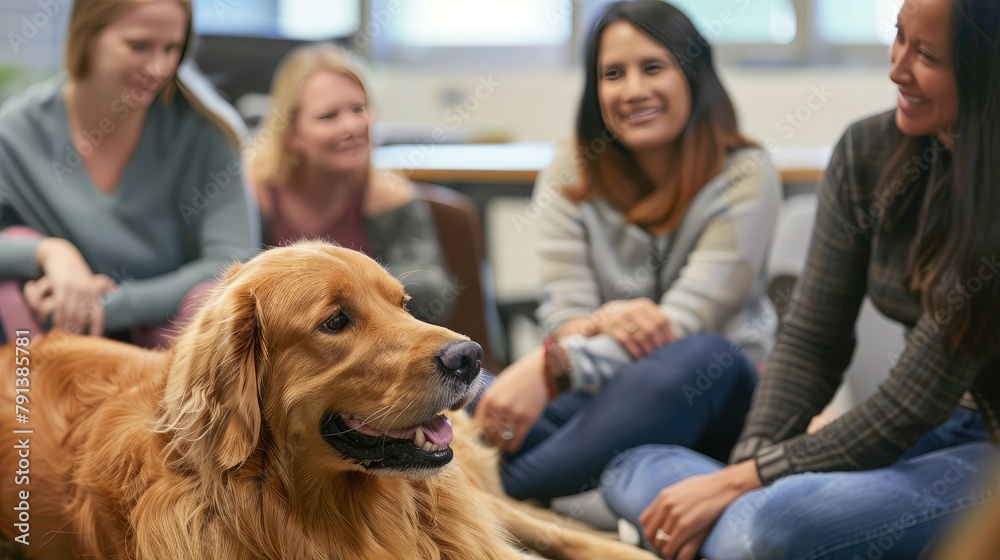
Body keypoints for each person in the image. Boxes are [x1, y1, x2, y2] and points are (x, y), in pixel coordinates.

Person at [601, 0, 1000, 558]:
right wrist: (748, 466)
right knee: (632, 465)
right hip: (927, 434)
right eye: (898, 37)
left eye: (927, 56)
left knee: (774, 524)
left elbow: (911, 402)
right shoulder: (868, 152)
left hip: (983, 453)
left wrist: (744, 483)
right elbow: (813, 340)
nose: (897, 69)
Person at [473, 0, 782, 502]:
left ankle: (499, 495)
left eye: (653, 67)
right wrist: (603, 321)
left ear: (693, 74)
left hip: (714, 399)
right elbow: (565, 319)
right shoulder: (571, 169)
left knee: (702, 356)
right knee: (471, 395)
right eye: (613, 74)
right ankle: (515, 488)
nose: (633, 90)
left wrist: (553, 367)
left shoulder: (746, 174)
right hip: (606, 400)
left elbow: (682, 326)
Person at [0, 0, 257, 348]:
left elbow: (232, 263)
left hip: (167, 347)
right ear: (86, 36)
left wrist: (109, 306)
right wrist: (49, 252)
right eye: (139, 46)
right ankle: (24, 386)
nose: (159, 67)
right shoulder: (17, 131)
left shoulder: (206, 134)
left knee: (210, 301)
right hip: (53, 339)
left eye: (172, 48)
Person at [249, 43, 454, 325]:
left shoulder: (391, 197)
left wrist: (348, 299)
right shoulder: (253, 194)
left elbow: (433, 292)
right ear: (292, 134)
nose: (352, 126)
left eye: (358, 109)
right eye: (329, 116)